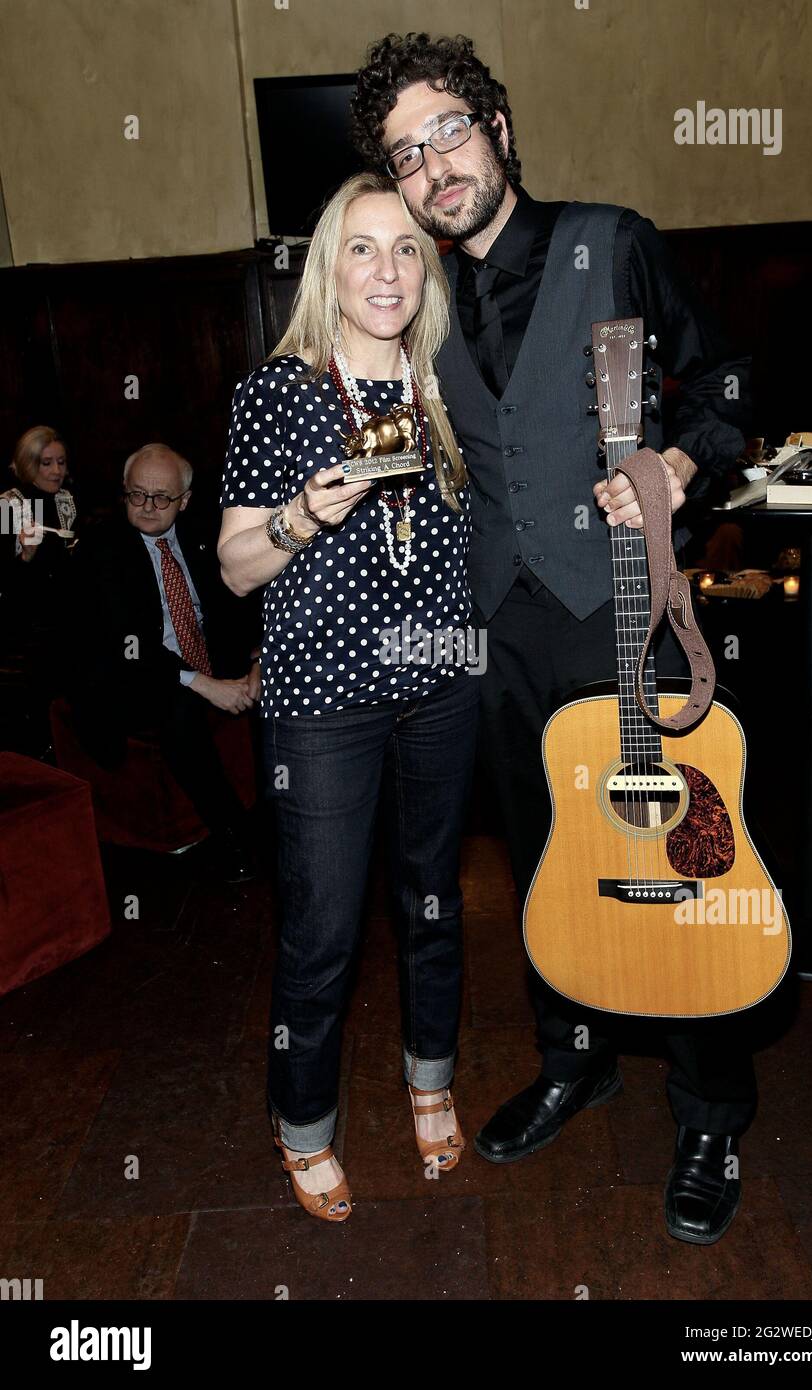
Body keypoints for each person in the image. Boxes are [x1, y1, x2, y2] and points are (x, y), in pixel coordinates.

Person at [351, 32, 756, 1245]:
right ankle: (575, 1056)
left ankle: (709, 1108)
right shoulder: (414, 292)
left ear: (500, 129)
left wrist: (678, 460)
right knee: (542, 862)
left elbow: (727, 381)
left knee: (675, 859)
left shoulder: (608, 240)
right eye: (403, 154)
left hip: (613, 613)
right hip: (496, 632)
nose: (431, 167)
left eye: (448, 132)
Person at [218, 170, 479, 1224]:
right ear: (328, 266)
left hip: (440, 687)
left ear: (428, 270)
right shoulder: (277, 392)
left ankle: (430, 1080)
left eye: (406, 248)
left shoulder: (447, 385)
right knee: (323, 928)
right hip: (323, 702)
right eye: (362, 248)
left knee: (432, 905)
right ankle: (304, 1120)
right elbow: (235, 568)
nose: (386, 270)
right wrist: (297, 519)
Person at [70, 443, 260, 881]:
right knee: (181, 707)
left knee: (278, 685)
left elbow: (237, 605)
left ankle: (281, 809)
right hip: (125, 676)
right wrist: (203, 682)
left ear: (185, 500)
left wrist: (259, 658)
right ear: (124, 492)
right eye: (137, 495)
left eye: (161, 498)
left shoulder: (203, 534)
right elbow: (126, 644)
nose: (148, 507)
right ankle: (233, 835)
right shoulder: (102, 549)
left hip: (200, 658)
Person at [0, 426, 80, 753]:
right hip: (23, 617)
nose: (57, 471)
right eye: (47, 463)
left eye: (61, 462)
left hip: (63, 611)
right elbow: (4, 572)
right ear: (28, 464)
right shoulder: (8, 504)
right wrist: (24, 553)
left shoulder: (66, 500)